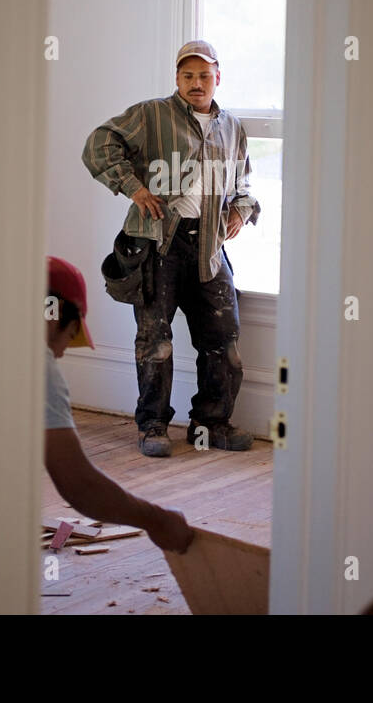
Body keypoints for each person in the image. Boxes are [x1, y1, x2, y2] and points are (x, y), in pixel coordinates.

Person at [82, 40, 260, 457]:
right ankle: (154, 427)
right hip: (157, 244)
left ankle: (212, 424)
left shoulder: (232, 127)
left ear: (218, 77)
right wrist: (135, 188)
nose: (196, 83)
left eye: (204, 75)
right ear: (177, 78)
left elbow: (244, 182)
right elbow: (98, 144)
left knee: (224, 342)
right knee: (156, 344)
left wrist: (242, 208)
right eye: (188, 76)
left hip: (209, 248)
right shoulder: (150, 115)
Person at [43, 255, 193, 553]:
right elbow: (80, 485)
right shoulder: (37, 368)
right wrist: (157, 521)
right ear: (56, 313)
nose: (60, 354)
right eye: (71, 337)